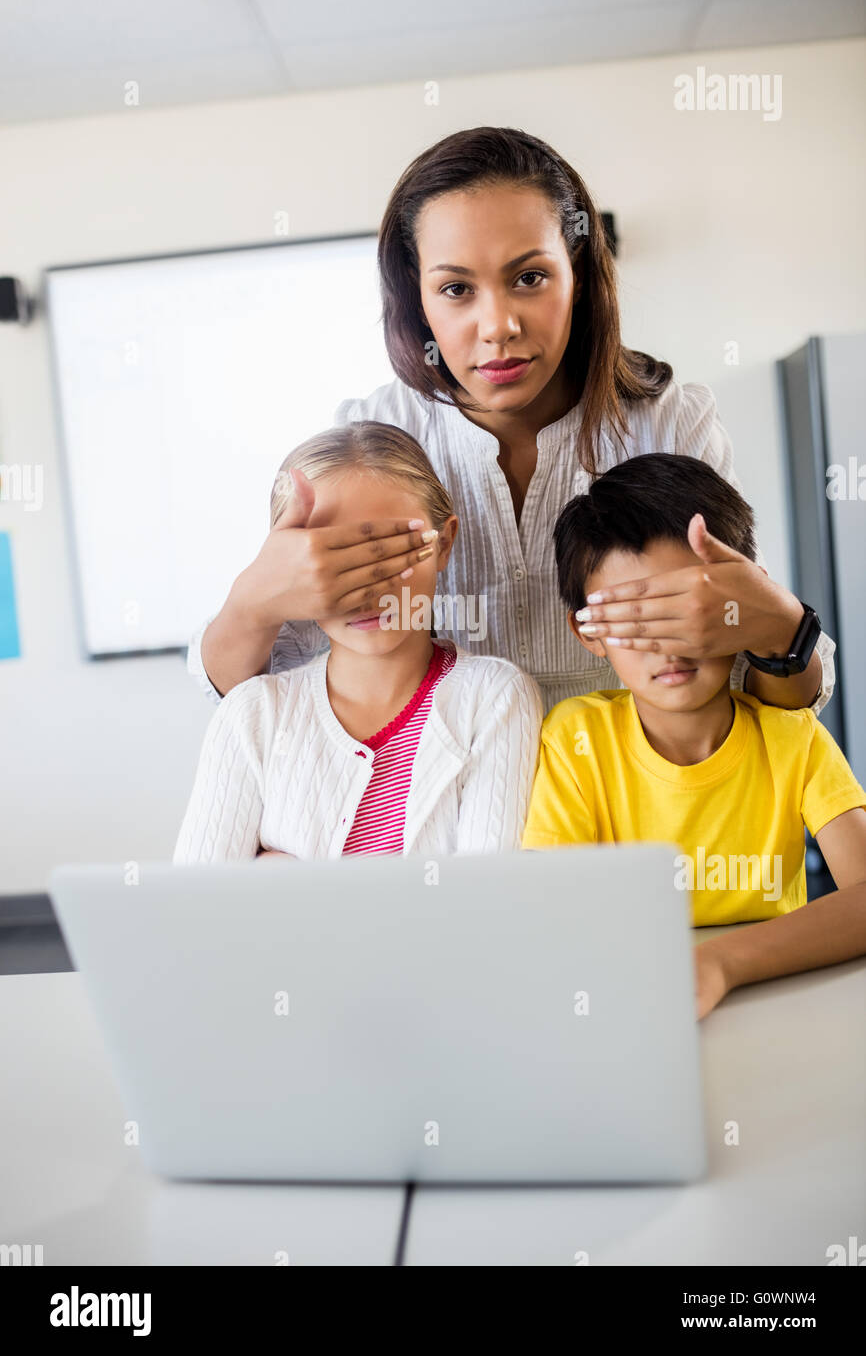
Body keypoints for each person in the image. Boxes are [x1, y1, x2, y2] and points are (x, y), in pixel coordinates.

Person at [187, 126, 835, 719]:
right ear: (416, 296)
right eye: (456, 289)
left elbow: (784, 699)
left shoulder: (669, 424)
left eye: (529, 277)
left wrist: (779, 626)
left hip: (637, 826)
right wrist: (255, 602)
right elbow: (243, 697)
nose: (498, 325)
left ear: (577, 276)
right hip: (447, 832)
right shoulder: (373, 437)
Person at [520, 453, 866, 1019]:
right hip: (634, 1007)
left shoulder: (790, 735)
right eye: (635, 618)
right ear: (588, 633)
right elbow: (550, 916)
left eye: (685, 611)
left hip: (780, 1000)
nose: (667, 645)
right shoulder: (577, 740)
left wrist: (722, 963)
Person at [173, 422, 543, 863]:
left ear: (443, 543)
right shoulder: (253, 715)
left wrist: (287, 882)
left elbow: (482, 909)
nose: (370, 589)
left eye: (391, 550)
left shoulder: (494, 698)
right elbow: (199, 915)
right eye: (333, 561)